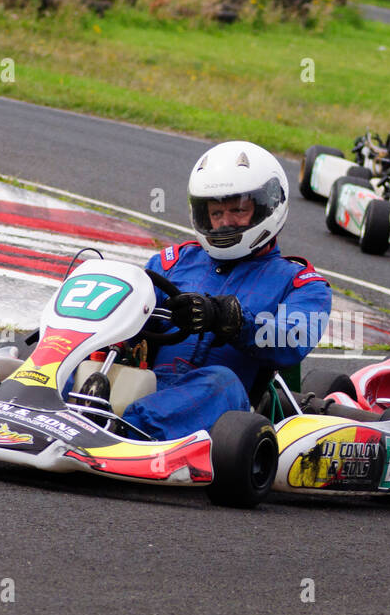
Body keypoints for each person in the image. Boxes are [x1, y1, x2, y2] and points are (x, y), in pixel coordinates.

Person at [119, 141, 332, 441]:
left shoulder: (301, 283)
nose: (225, 222)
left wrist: (229, 319)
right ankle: (50, 402)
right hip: (147, 385)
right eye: (216, 213)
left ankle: (132, 430)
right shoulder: (173, 263)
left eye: (238, 210)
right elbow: (131, 315)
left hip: (225, 411)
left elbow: (292, 341)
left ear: (267, 207)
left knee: (222, 380)